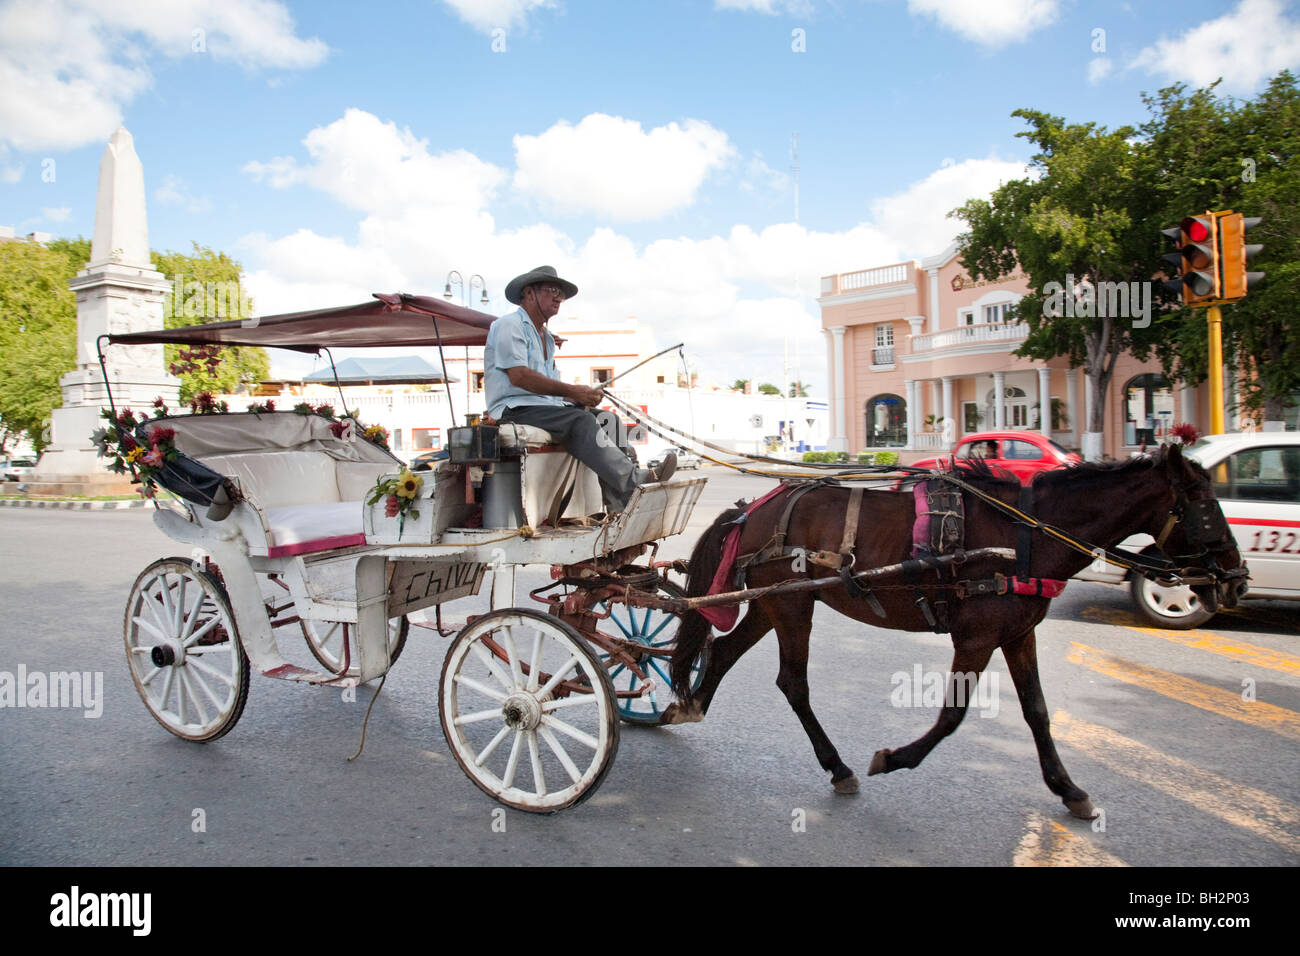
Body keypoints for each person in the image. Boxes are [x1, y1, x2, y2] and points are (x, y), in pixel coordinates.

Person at [484, 265, 675, 513]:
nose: (558, 298)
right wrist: (574, 393)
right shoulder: (509, 325)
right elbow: (520, 376)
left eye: (561, 294)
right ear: (529, 293)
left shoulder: (547, 337)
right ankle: (635, 480)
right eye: (552, 290)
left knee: (610, 421)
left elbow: (548, 385)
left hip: (544, 408)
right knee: (580, 421)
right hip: (514, 408)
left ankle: (620, 509)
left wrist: (582, 394)